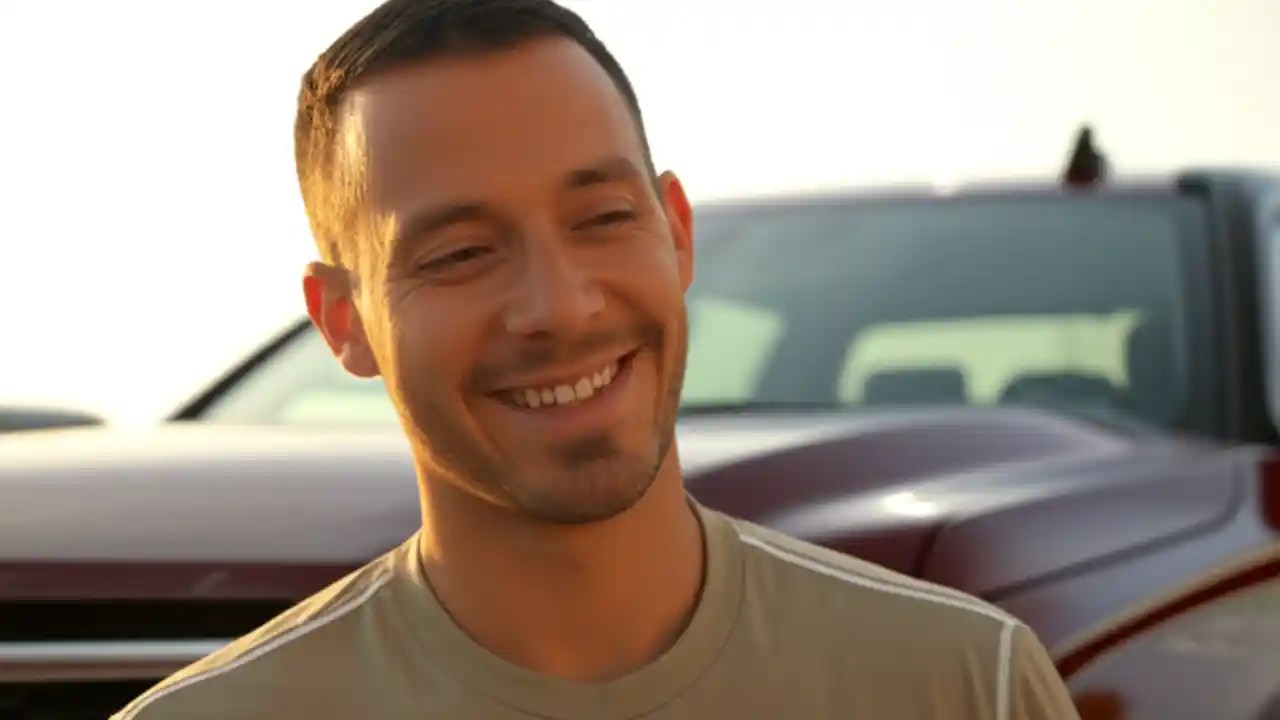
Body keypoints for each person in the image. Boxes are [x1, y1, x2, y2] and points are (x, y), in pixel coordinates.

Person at [114, 0, 1081, 717]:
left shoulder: (964, 684)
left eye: (603, 219)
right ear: (343, 321)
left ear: (677, 233)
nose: (560, 306)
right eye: (459, 255)